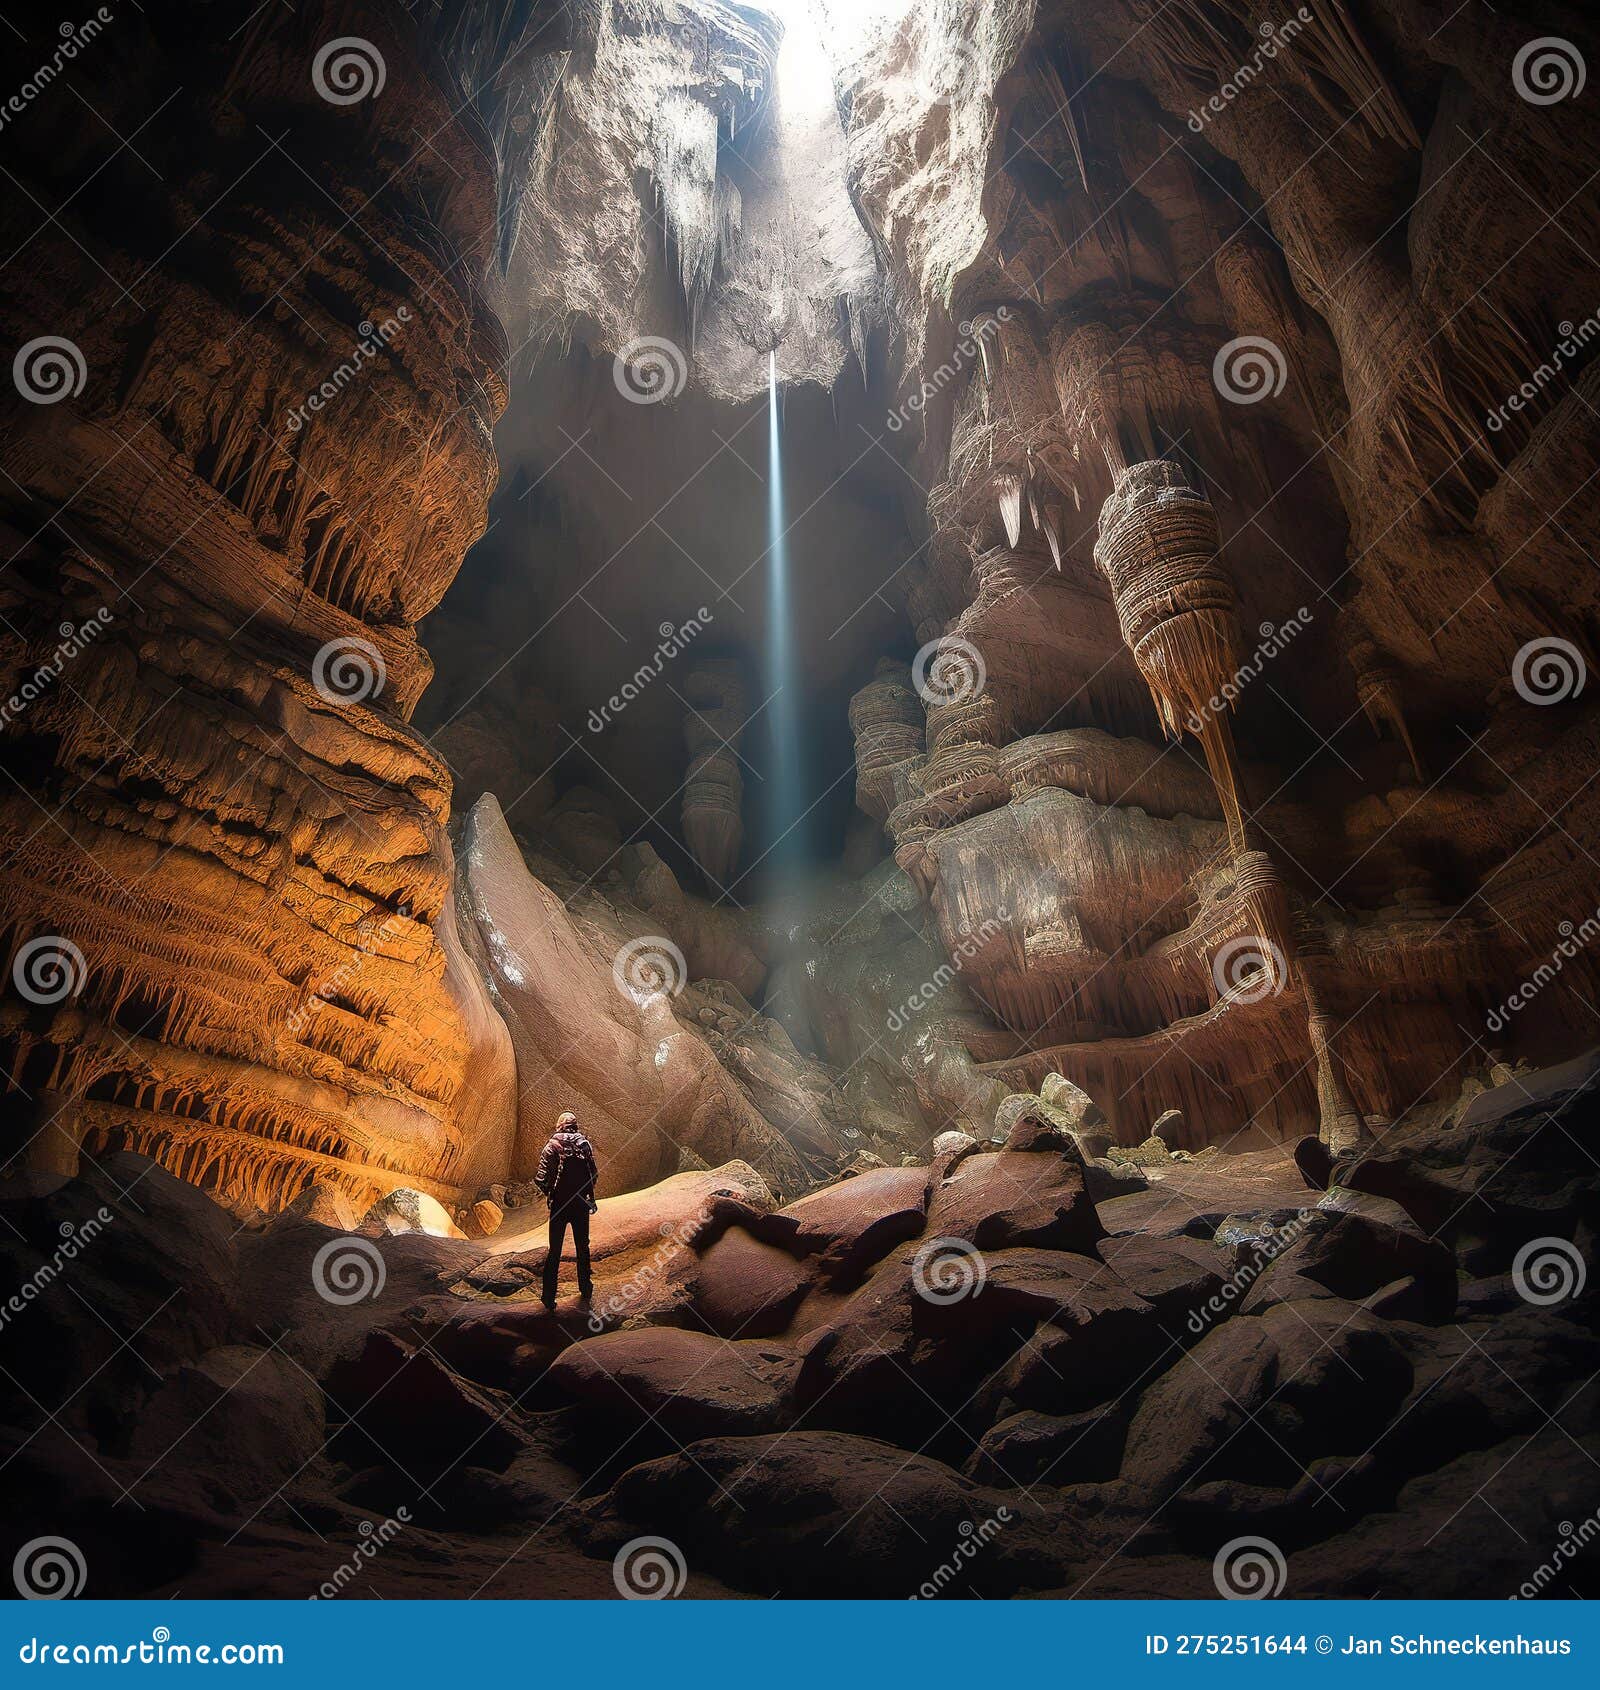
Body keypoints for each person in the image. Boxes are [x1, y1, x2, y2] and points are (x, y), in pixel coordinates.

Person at [536, 1111, 598, 1308]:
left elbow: (541, 1178)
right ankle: (585, 1288)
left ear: (559, 1125)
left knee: (555, 1251)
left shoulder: (552, 1145)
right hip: (580, 1204)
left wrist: (550, 1192)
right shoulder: (584, 1144)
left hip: (559, 1205)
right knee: (583, 1247)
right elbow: (593, 1175)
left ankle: (548, 1297)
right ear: (575, 1125)